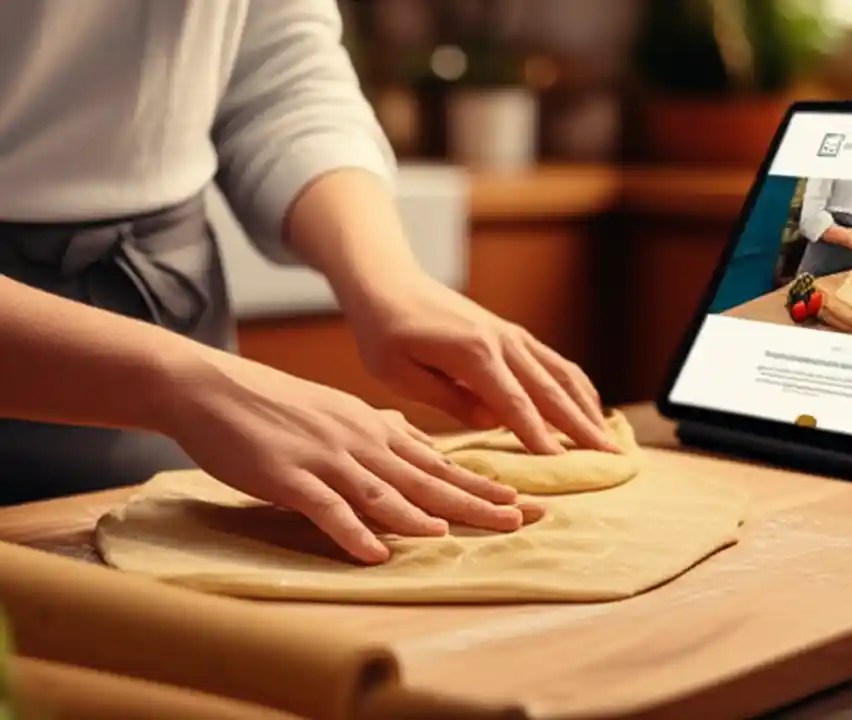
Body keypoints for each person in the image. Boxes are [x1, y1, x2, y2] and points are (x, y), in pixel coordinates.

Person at [0, 1, 618, 565]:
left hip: (169, 317)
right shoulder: (184, 386)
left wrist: (389, 281)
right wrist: (188, 384)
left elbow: (276, 72)